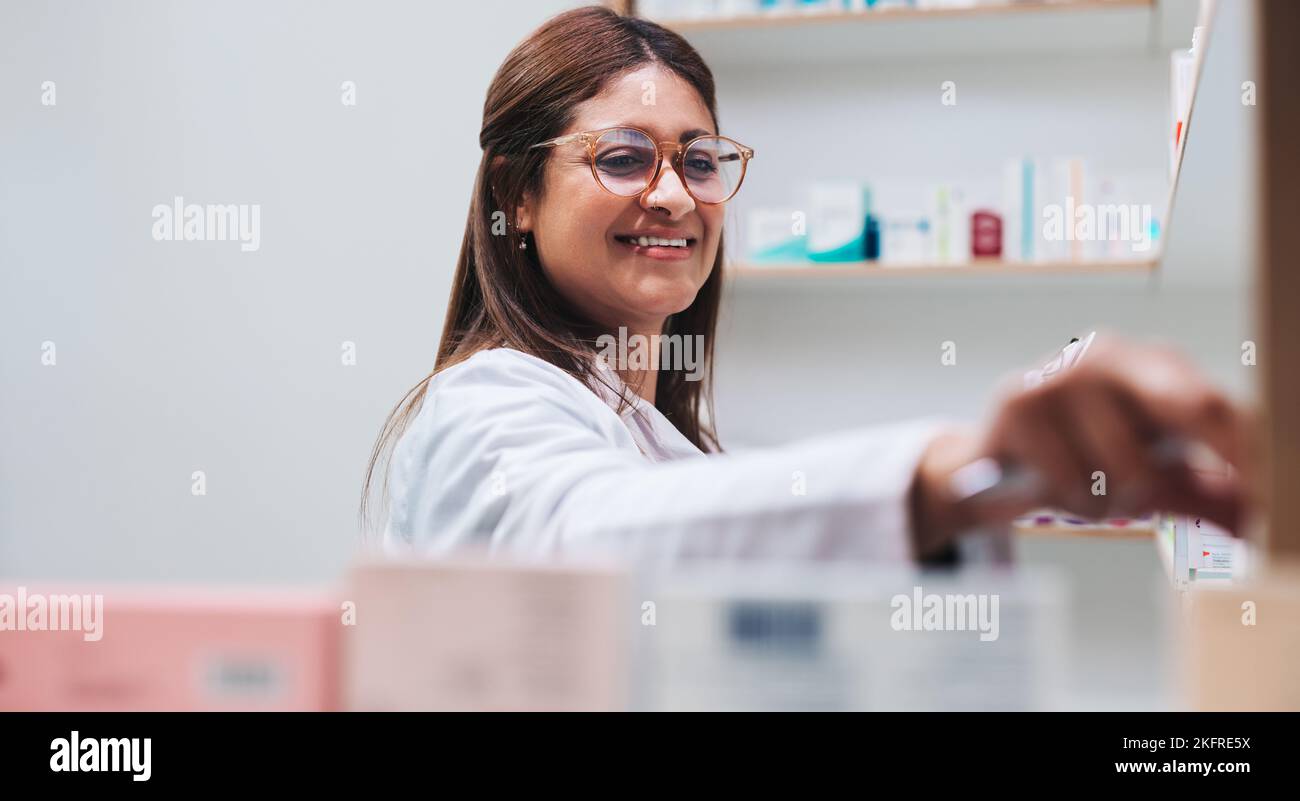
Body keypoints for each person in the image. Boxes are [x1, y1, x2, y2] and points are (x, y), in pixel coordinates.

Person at [361, 6, 1250, 565]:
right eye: (623, 157)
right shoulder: (482, 409)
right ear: (518, 194)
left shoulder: (671, 449)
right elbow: (593, 542)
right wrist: (944, 467)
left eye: (700, 160)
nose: (673, 195)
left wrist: (1005, 490)